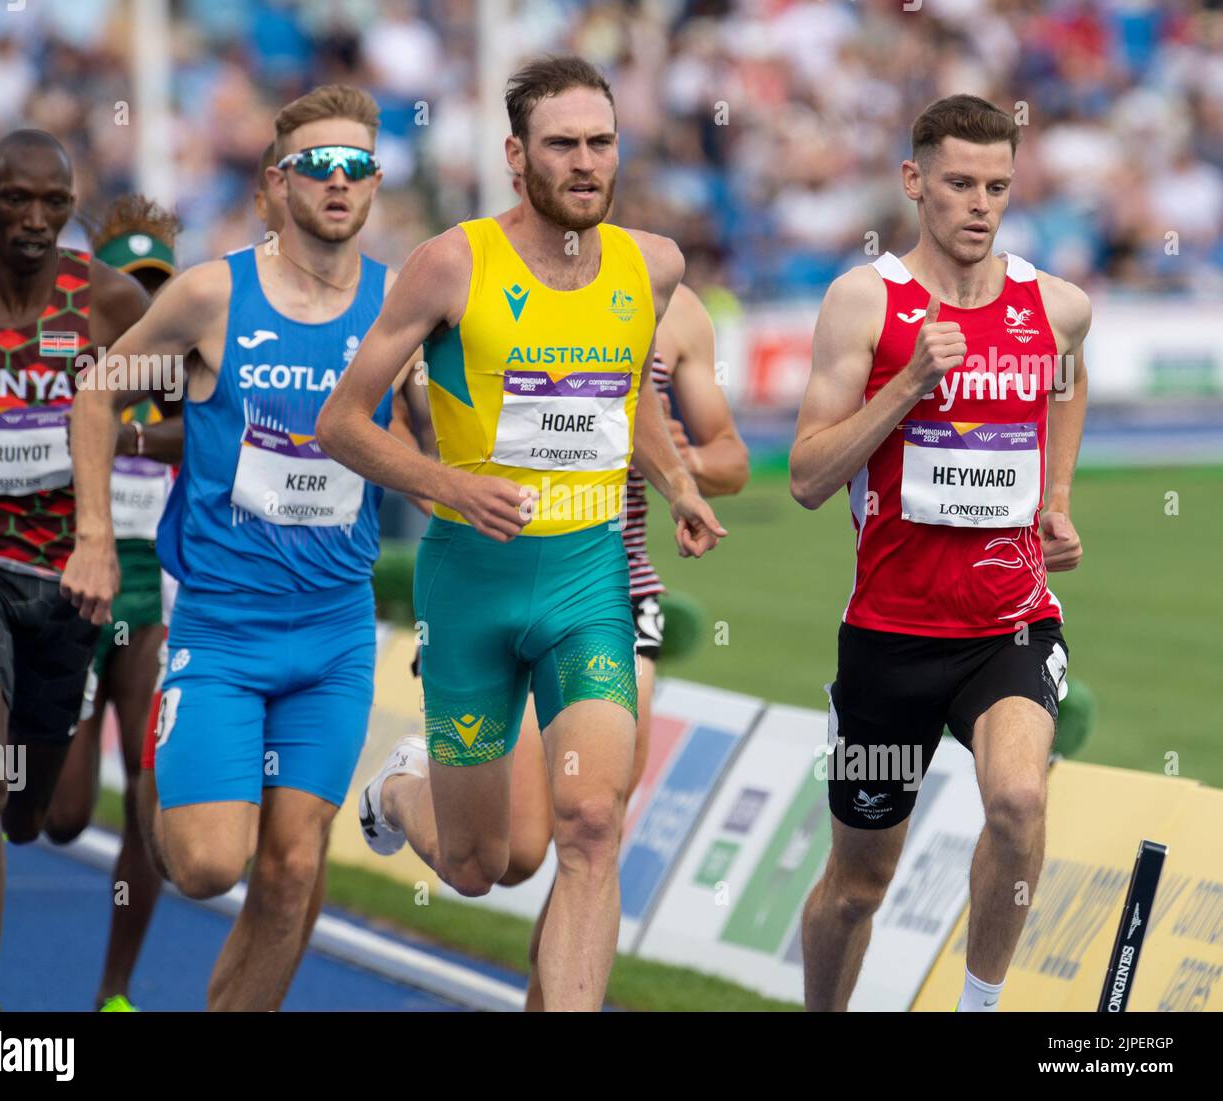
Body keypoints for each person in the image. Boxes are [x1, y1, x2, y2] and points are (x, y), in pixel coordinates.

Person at [316, 55, 726, 1011]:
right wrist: (446, 482)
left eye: (601, 142)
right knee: (477, 864)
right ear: (515, 155)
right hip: (470, 581)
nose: (585, 163)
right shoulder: (453, 263)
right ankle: (397, 792)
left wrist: (674, 484)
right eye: (562, 144)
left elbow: (625, 397)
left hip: (589, 577)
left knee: (590, 824)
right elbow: (340, 422)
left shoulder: (652, 264)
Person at [63, 85, 410, 1011]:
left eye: (358, 167)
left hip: (336, 635)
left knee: (294, 868)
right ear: (274, 183)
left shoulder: (399, 305)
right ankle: (166, 771)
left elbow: (435, 452)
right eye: (318, 167)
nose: (340, 184)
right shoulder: (213, 295)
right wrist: (95, 534)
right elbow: (97, 392)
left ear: (375, 184)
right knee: (208, 865)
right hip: (223, 628)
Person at [790, 94, 1088, 1012]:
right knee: (858, 884)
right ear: (914, 182)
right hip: (889, 640)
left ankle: (979, 1006)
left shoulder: (1056, 305)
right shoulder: (866, 302)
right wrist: (912, 382)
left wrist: (1057, 498)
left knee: (1019, 802)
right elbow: (804, 475)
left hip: (1011, 626)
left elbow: (1069, 379)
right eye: (959, 183)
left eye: (997, 186)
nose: (979, 205)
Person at [0, 130, 149, 1011]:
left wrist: (109, 434)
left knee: (34, 814)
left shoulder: (110, 302)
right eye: (16, 200)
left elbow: (192, 406)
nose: (34, 220)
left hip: (65, 581)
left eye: (54, 205)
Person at [43, 195, 186, 1012]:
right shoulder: (66, 344)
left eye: (157, 285)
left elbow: (203, 434)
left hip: (154, 581)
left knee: (148, 794)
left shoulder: (181, 356)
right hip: (72, 572)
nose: (145, 299)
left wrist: (122, 433)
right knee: (61, 817)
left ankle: (115, 992)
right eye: (133, 283)